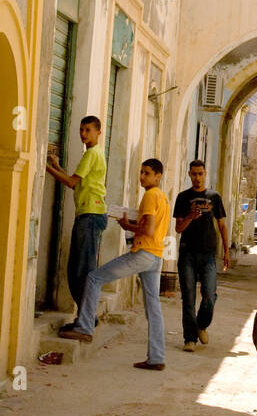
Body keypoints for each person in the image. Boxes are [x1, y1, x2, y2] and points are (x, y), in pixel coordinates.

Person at [59, 158, 169, 371]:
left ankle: (85, 327)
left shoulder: (149, 195)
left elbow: (148, 230)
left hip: (143, 253)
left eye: (147, 173)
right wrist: (133, 224)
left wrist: (127, 225)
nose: (142, 177)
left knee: (94, 278)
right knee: (153, 308)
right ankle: (157, 357)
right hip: (156, 256)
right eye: (141, 172)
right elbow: (152, 227)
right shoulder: (162, 197)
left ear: (158, 176)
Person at [46, 116, 107, 329]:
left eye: (88, 130)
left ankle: (86, 319)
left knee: (81, 271)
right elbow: (75, 184)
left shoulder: (91, 154)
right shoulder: (95, 153)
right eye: (81, 129)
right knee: (78, 271)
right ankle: (87, 316)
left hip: (90, 216)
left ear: (98, 132)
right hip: (89, 214)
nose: (83, 134)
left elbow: (71, 182)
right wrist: (57, 166)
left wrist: (47, 169)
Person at [173, 160, 229, 353]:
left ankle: (201, 325)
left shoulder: (214, 197)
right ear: (189, 174)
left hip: (208, 254)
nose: (197, 178)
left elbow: (222, 225)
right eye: (194, 174)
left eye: (200, 174)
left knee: (210, 295)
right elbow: (178, 228)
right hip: (187, 253)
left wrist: (227, 251)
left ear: (205, 174)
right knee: (188, 297)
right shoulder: (182, 198)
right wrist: (190, 216)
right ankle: (189, 339)